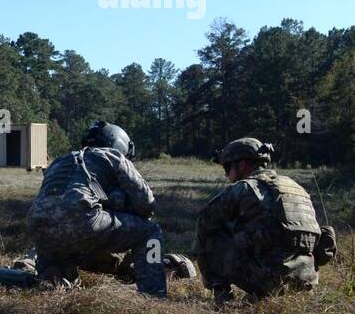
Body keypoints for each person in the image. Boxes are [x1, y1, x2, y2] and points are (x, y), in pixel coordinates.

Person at [25, 120, 167, 297]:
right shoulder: (114, 156)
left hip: (38, 228)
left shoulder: (61, 160)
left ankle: (54, 281)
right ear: (119, 144)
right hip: (83, 223)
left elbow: (55, 200)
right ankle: (153, 294)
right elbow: (147, 205)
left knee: (57, 271)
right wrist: (121, 206)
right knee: (151, 231)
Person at [194, 138, 336, 303]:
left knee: (209, 236)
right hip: (305, 280)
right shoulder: (296, 187)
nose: (226, 174)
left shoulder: (243, 188)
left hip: (266, 280)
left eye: (227, 167)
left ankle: (222, 297)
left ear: (242, 165)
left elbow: (204, 222)